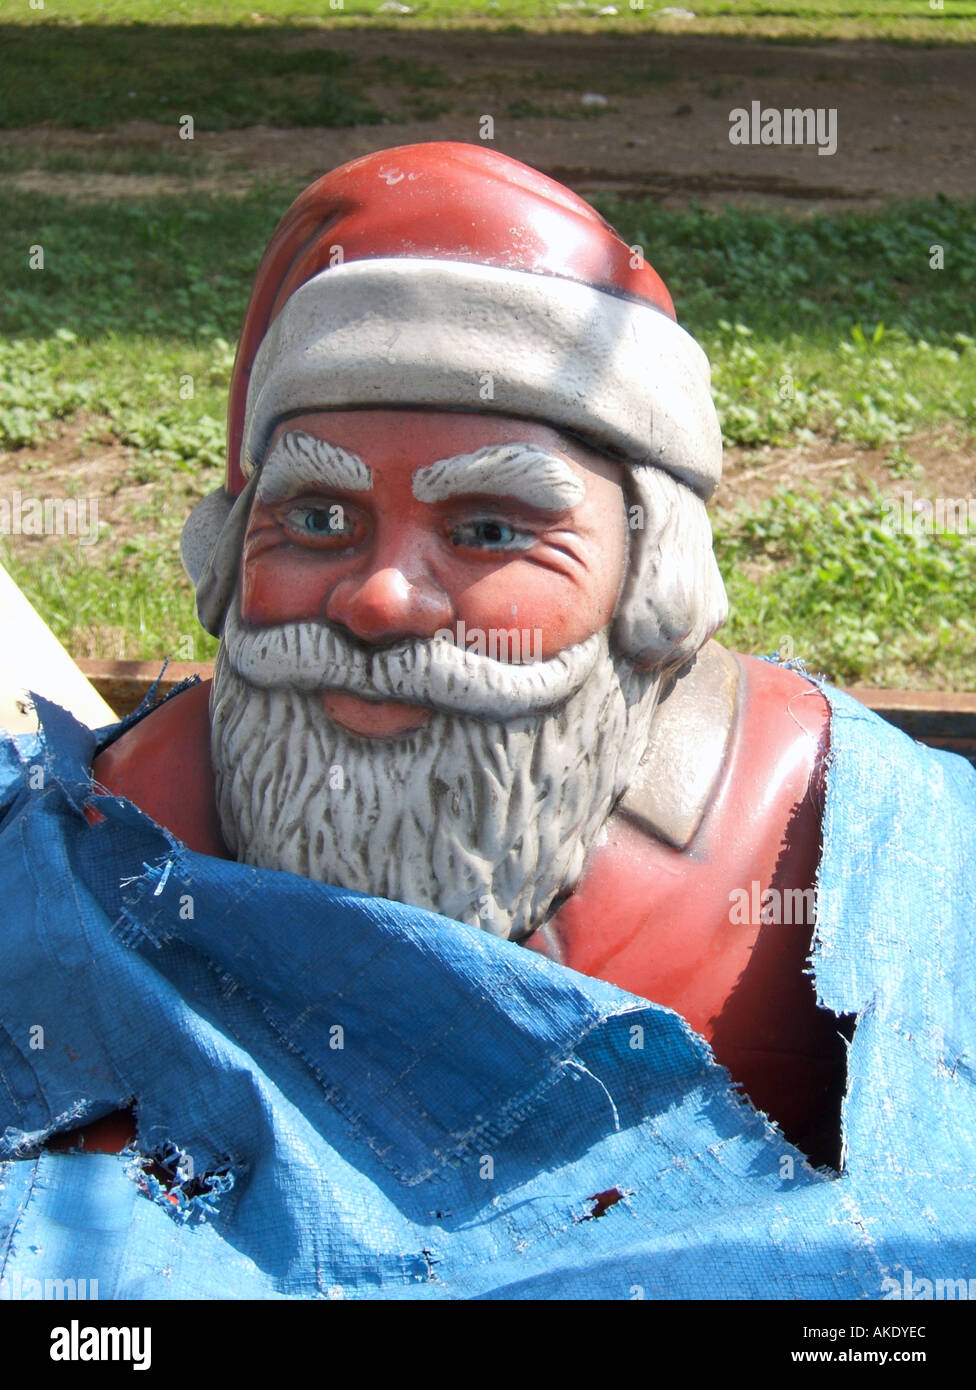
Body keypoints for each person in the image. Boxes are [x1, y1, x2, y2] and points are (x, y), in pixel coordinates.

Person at [1, 144, 974, 1302]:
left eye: (489, 530)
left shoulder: (844, 841)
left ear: (649, 577)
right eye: (316, 516)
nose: (377, 597)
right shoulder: (100, 848)